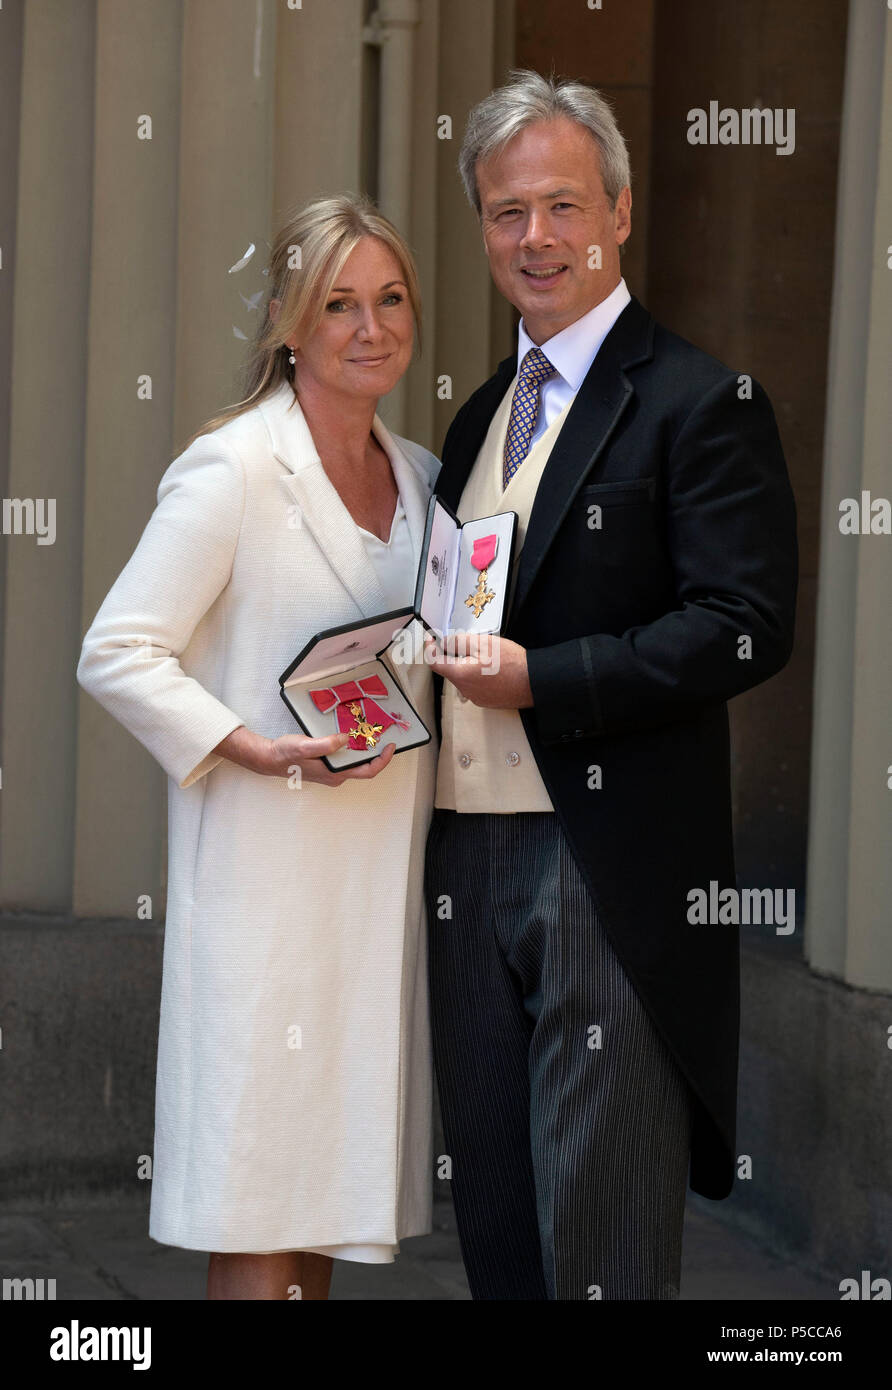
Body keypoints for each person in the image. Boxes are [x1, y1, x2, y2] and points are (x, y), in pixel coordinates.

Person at [423, 70, 798, 1301]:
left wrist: (548, 680)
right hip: (461, 864)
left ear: (620, 213)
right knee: (499, 1237)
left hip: (606, 868)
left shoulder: (698, 403)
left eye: (564, 205)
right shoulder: (478, 420)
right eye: (506, 212)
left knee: (605, 1251)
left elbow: (746, 627)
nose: (537, 237)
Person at [77, 195, 440, 1300]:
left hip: (377, 892)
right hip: (267, 892)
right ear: (289, 320)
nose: (370, 327)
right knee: (256, 1201)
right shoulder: (232, 468)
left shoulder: (423, 476)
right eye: (339, 304)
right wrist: (253, 746)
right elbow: (118, 648)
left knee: (324, 1198)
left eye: (388, 300)